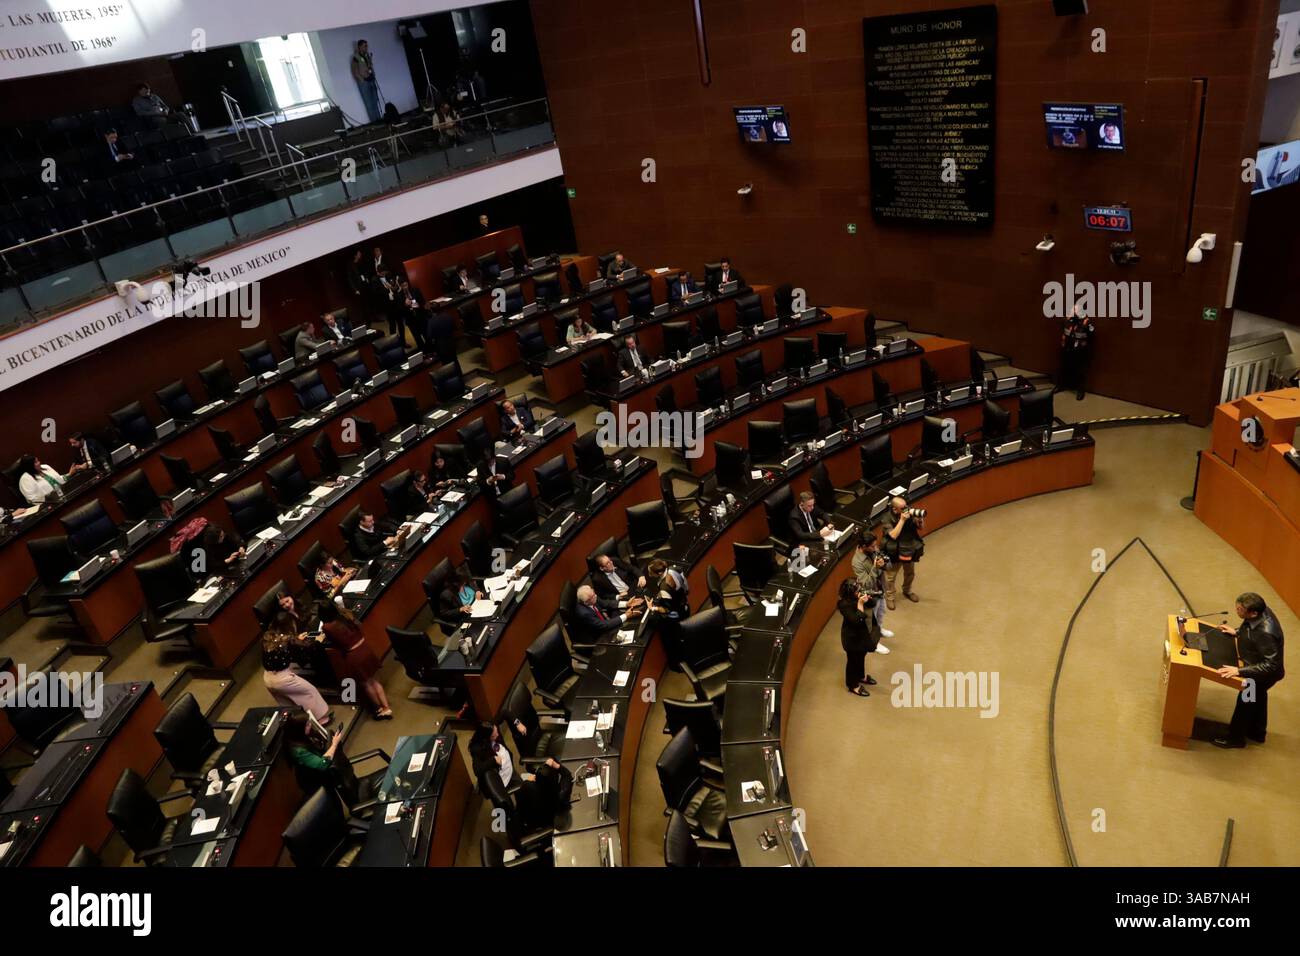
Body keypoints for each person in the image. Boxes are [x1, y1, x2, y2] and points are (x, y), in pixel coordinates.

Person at [1211, 592, 1285, 748]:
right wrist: (1237, 632)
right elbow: (1250, 628)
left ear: (1254, 612)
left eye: (1240, 609)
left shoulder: (1266, 632)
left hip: (1261, 675)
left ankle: (1235, 739)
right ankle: (1257, 733)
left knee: (1246, 702)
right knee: (1258, 699)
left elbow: (1271, 665)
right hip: (1257, 669)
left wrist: (1240, 671)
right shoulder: (1259, 613)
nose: (1237, 610)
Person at [262, 593, 331, 724]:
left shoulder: (268, 635)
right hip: (283, 678)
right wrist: (317, 640)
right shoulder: (289, 640)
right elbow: (306, 648)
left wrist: (297, 640)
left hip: (267, 678)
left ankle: (299, 723)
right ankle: (322, 720)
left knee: (288, 703)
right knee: (309, 692)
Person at [317, 600, 392, 718]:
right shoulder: (345, 616)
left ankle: (379, 709)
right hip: (365, 648)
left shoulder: (327, 627)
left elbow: (336, 643)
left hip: (355, 655)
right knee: (373, 680)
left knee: (367, 684)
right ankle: (386, 707)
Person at [838, 578, 880, 697]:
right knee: (853, 661)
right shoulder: (843, 604)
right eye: (857, 590)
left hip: (862, 635)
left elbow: (873, 604)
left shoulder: (858, 597)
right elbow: (857, 620)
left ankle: (860, 676)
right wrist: (861, 603)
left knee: (861, 656)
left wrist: (868, 598)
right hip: (851, 639)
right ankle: (853, 685)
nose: (859, 591)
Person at [284, 711, 343, 796]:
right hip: (314, 783)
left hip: (319, 774)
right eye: (307, 724)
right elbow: (322, 764)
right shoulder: (299, 751)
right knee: (332, 801)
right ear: (299, 729)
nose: (310, 725)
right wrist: (334, 745)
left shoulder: (301, 736)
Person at [851, 534, 892, 651]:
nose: (876, 548)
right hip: (870, 594)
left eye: (876, 545)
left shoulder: (873, 549)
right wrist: (876, 568)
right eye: (872, 546)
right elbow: (866, 583)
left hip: (880, 589)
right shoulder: (856, 562)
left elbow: (888, 566)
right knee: (870, 621)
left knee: (881, 613)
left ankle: (879, 630)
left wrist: (884, 564)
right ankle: (874, 643)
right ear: (864, 546)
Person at [882, 497, 924, 608]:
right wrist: (902, 520)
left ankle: (907, 590)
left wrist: (919, 520)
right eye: (902, 508)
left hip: (909, 548)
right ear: (895, 509)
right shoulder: (886, 518)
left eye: (906, 506)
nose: (906, 509)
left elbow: (921, 528)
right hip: (894, 551)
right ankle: (890, 597)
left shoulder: (908, 511)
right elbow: (893, 535)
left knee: (910, 573)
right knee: (891, 577)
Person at [574, 583, 642, 641]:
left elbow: (605, 603)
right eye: (592, 597)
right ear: (585, 602)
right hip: (600, 636)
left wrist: (626, 604)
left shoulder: (591, 597)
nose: (596, 596)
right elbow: (603, 625)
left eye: (594, 594)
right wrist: (626, 615)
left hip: (606, 621)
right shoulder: (584, 613)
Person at [1055, 304, 1096, 401]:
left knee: (1080, 371)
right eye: (1072, 309)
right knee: (1064, 368)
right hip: (1067, 349)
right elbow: (1064, 332)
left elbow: (1091, 335)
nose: (1072, 310)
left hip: (1080, 351)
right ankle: (1061, 386)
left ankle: (1080, 390)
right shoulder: (1067, 320)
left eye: (1075, 309)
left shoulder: (1087, 322)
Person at [469, 721, 517, 788]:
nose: (497, 734)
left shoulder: (494, 730)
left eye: (496, 731)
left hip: (509, 767)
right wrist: (493, 760)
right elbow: (477, 770)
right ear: (486, 738)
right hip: (502, 778)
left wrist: (517, 722)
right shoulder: (477, 748)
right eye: (494, 735)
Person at [351, 39, 382, 124]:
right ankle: (374, 122)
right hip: (364, 83)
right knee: (369, 102)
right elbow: (354, 71)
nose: (367, 47)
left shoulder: (367, 56)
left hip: (371, 80)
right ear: (360, 47)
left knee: (375, 100)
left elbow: (370, 66)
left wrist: (373, 75)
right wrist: (362, 80)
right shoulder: (355, 58)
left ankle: (379, 119)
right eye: (365, 46)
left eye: (367, 46)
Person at [398, 277, 430, 351]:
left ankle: (431, 350)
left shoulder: (415, 290)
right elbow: (400, 311)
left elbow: (422, 301)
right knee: (418, 338)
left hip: (421, 316)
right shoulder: (399, 296)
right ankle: (424, 352)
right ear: (400, 286)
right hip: (411, 320)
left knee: (427, 335)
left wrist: (418, 304)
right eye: (403, 286)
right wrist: (405, 305)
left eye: (406, 284)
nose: (405, 287)